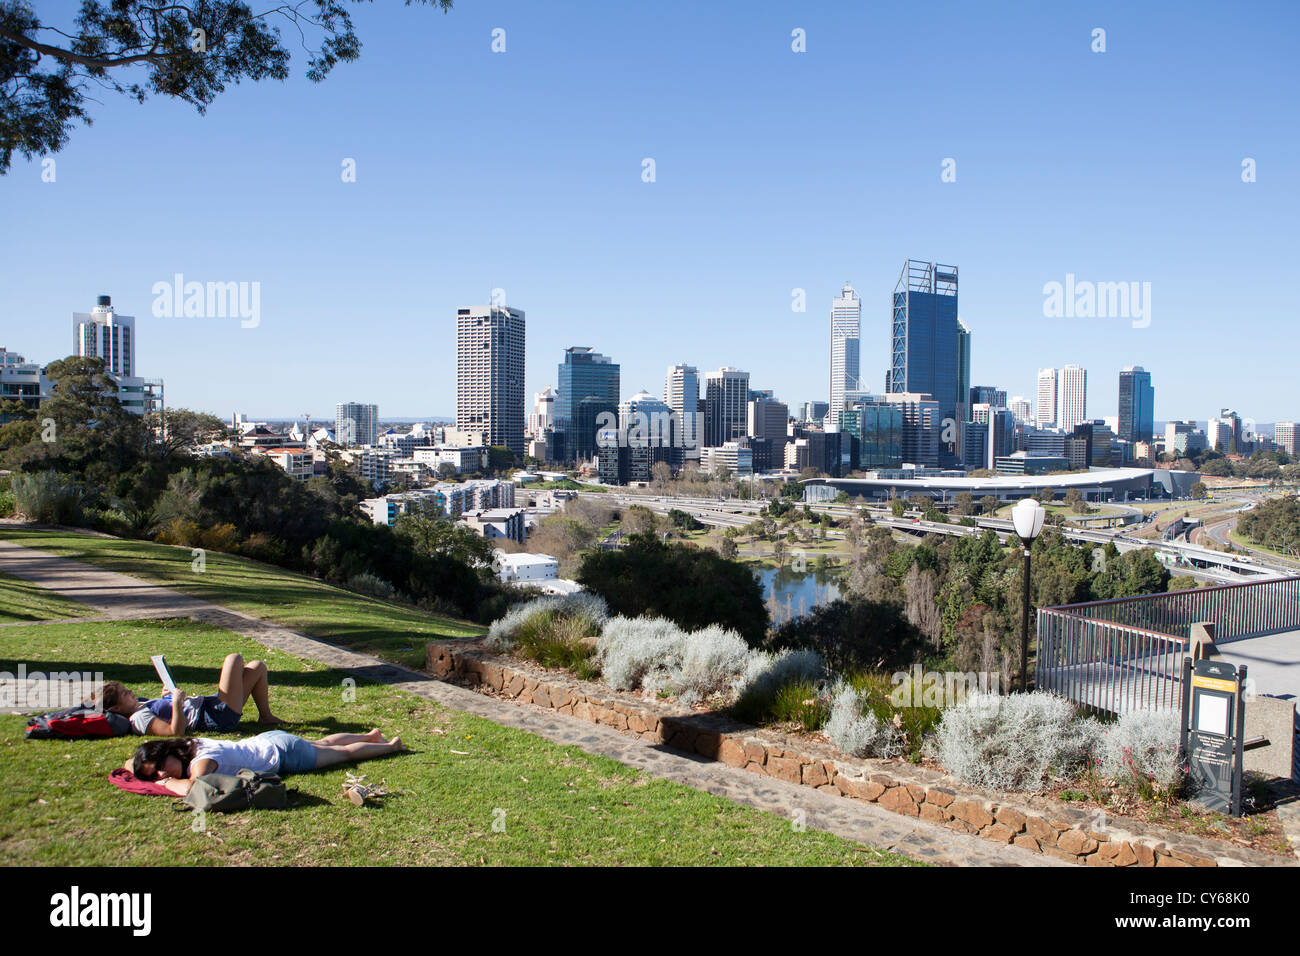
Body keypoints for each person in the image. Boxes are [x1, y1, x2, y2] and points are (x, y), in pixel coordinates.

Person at [128, 729, 405, 795]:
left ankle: (391, 747)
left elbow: (192, 787)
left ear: (169, 754)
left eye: (163, 766)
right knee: (324, 743)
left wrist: (166, 782)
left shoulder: (200, 762)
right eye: (157, 773)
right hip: (270, 740)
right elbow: (134, 763)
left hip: (281, 755)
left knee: (343, 755)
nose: (164, 773)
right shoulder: (192, 744)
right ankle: (371, 735)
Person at [99, 652, 282, 736]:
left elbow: (165, 711)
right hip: (215, 717)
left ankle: (265, 717)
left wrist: (167, 697)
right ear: (116, 707)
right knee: (233, 660)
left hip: (211, 706)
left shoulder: (141, 705)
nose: (130, 691)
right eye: (124, 693)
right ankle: (262, 716)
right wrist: (177, 702)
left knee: (257, 667)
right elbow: (174, 731)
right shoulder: (139, 718)